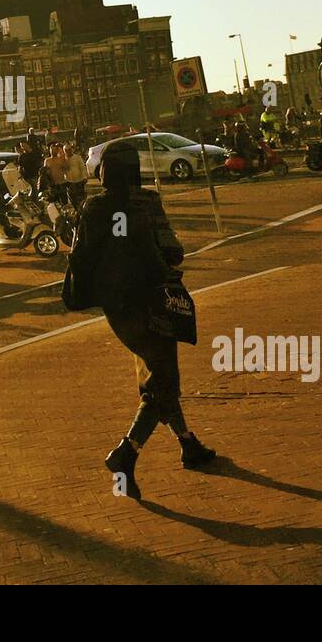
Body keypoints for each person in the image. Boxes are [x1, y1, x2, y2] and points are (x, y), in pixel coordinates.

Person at [63, 139, 215, 501]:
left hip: (117, 310)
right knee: (162, 379)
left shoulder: (92, 208)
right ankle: (126, 454)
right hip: (150, 303)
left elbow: (79, 256)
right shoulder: (143, 205)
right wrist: (166, 271)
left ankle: (187, 443)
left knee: (155, 373)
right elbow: (164, 253)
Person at [64, 140, 88, 209]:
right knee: (72, 199)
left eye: (69, 149)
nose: (67, 151)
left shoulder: (77, 157)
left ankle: (82, 210)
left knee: (81, 198)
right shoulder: (63, 159)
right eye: (66, 150)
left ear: (71, 150)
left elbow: (82, 168)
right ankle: (77, 210)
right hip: (69, 181)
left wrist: (84, 177)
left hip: (79, 181)